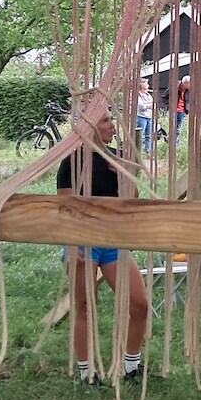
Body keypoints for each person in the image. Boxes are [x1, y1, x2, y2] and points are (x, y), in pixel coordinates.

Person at [56, 106, 150, 385]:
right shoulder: (71, 162)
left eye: (112, 119)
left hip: (113, 242)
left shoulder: (118, 158)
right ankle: (87, 373)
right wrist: (73, 247)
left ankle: (130, 367)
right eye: (106, 120)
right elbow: (66, 208)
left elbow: (131, 199)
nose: (112, 125)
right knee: (85, 305)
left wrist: (126, 176)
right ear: (90, 127)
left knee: (140, 304)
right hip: (83, 242)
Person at [135, 82, 155, 155]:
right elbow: (141, 106)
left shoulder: (148, 94)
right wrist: (148, 106)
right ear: (141, 85)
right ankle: (137, 151)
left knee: (148, 135)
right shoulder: (138, 95)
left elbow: (153, 104)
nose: (148, 85)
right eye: (146, 84)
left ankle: (148, 151)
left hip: (149, 116)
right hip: (141, 116)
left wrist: (148, 106)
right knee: (140, 134)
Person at [172, 75, 191, 149]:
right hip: (174, 110)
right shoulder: (175, 87)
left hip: (182, 111)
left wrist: (187, 109)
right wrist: (170, 106)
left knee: (179, 128)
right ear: (185, 83)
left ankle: (176, 145)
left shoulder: (188, 90)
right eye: (189, 83)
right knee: (173, 127)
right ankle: (173, 143)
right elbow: (164, 96)